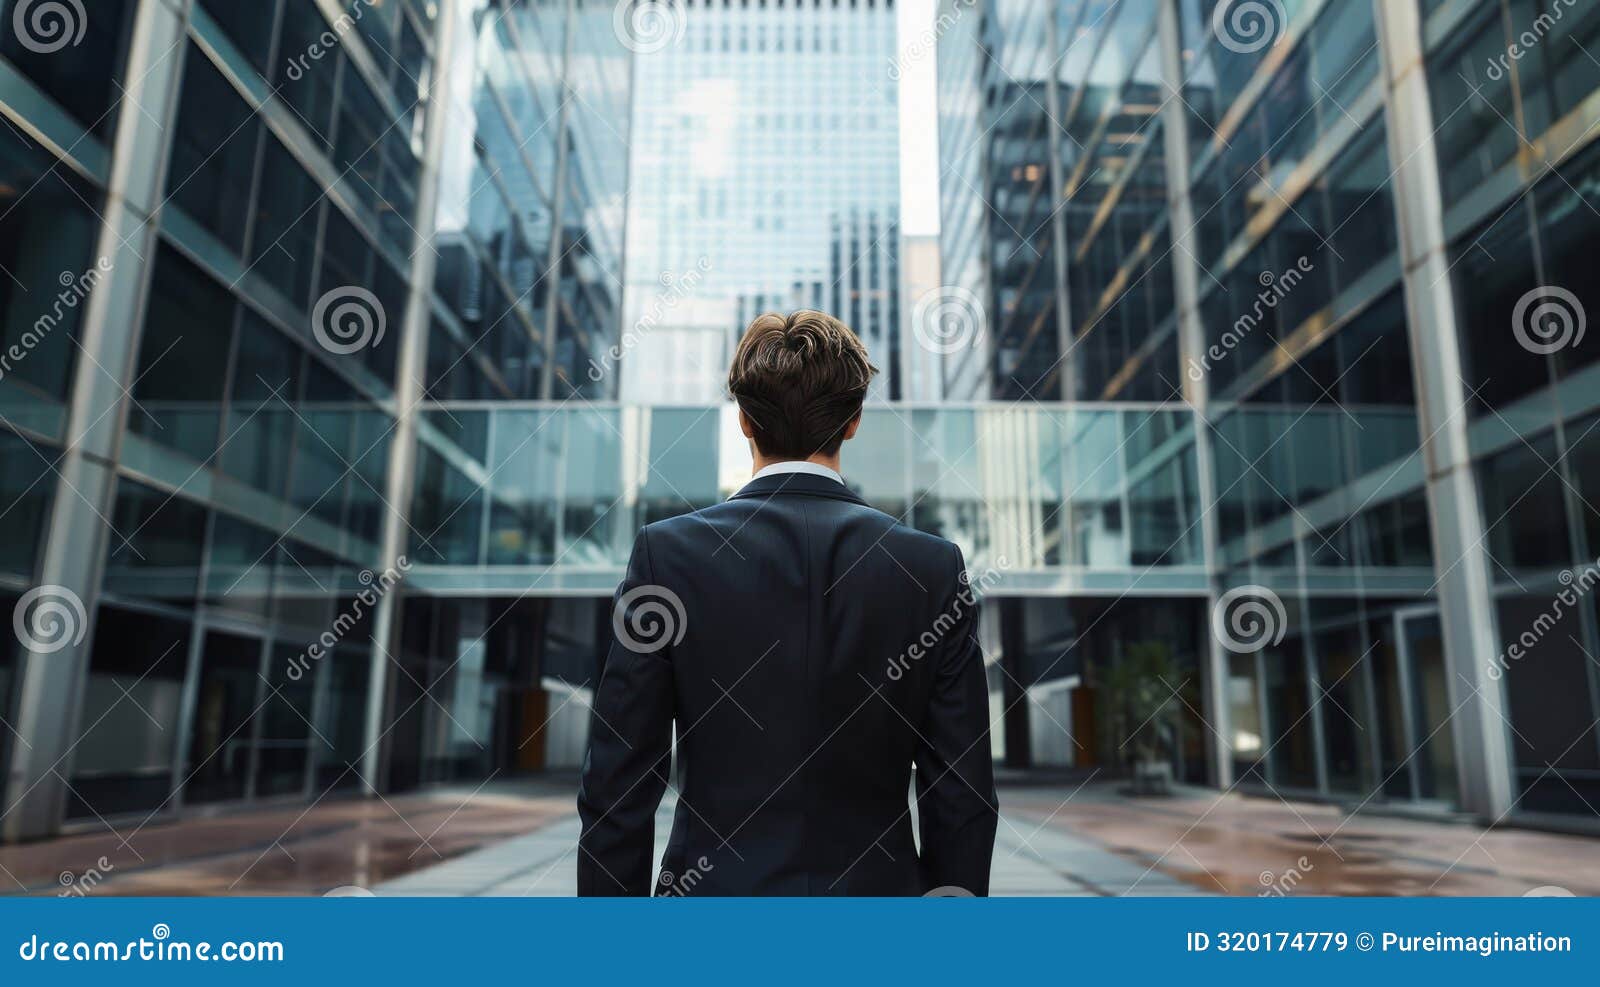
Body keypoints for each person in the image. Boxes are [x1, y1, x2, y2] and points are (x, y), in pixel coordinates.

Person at [577, 310, 997, 896]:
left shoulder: (666, 557)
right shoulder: (931, 568)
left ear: (744, 420)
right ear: (853, 421)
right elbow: (962, 792)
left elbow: (617, 786)